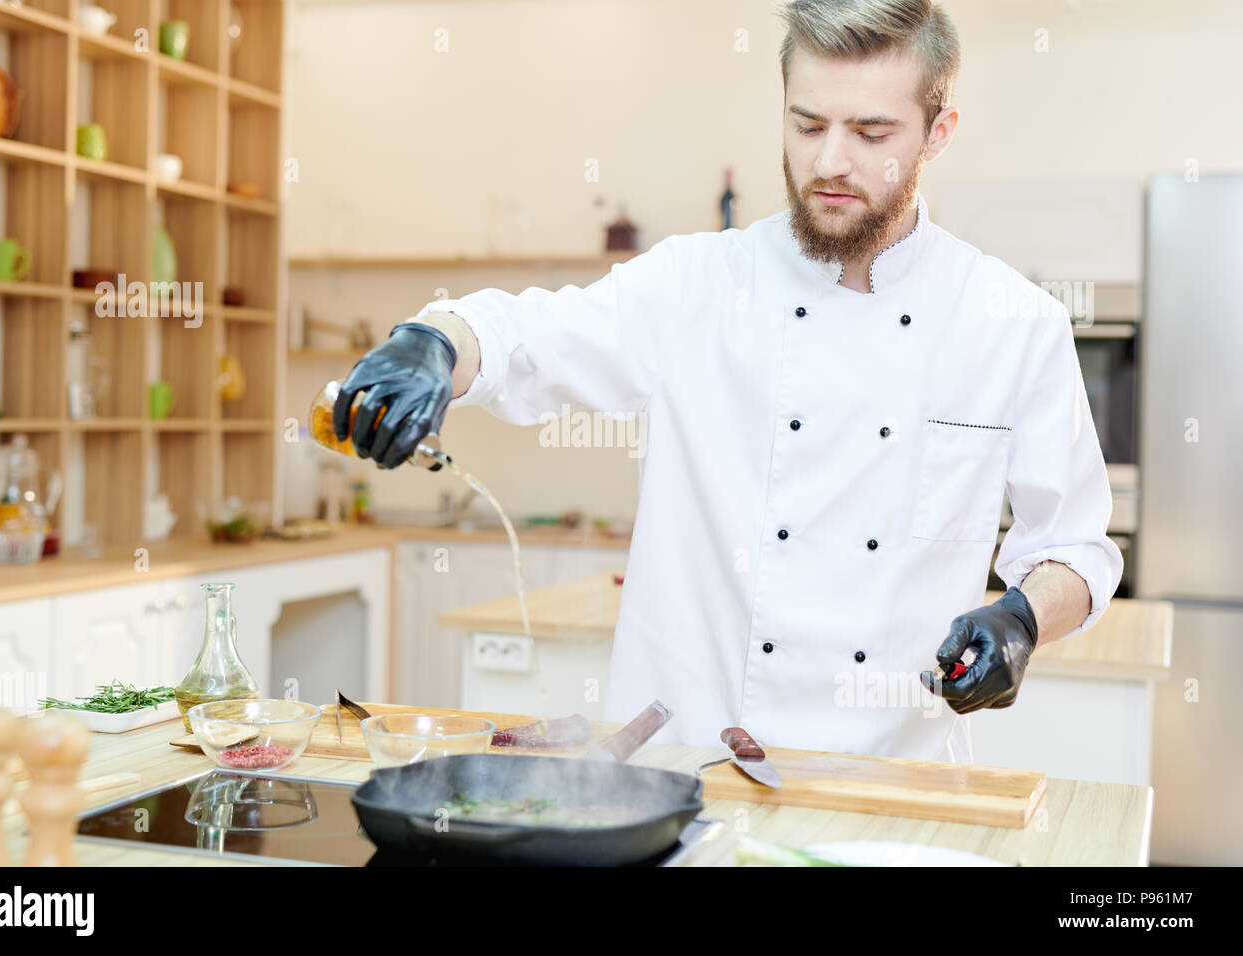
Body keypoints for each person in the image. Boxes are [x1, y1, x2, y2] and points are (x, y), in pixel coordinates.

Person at [332, 0, 1122, 761]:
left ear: (937, 133)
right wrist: (434, 341)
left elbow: (1077, 548)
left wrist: (1021, 619)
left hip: (895, 778)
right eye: (807, 124)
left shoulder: (1012, 322)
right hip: (689, 776)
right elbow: (527, 335)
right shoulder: (699, 284)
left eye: (870, 131)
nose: (828, 161)